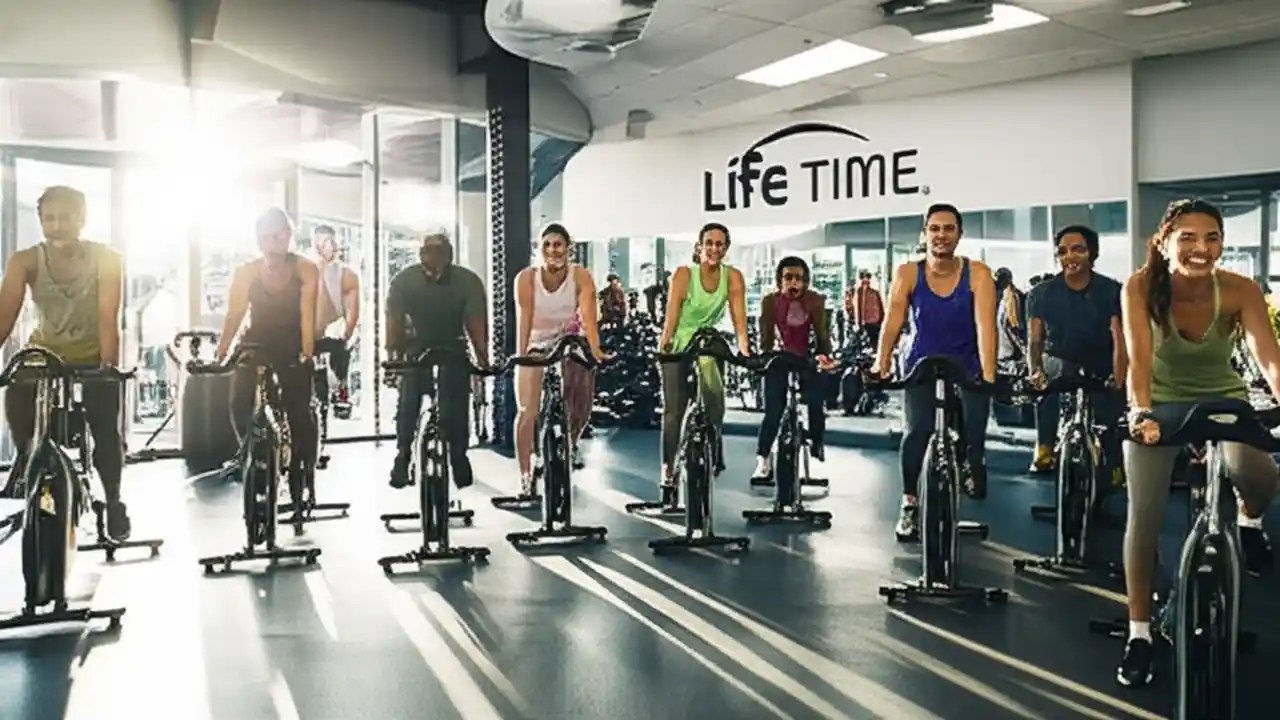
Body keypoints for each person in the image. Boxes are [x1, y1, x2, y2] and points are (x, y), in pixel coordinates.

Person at [1116, 198, 1278, 688]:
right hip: (1160, 403)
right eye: (1187, 237)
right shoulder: (1140, 287)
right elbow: (1139, 362)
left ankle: (1249, 522)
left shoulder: (1240, 290)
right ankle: (1139, 633)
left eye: (1212, 238)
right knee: (1144, 516)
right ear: (1164, 242)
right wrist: (1141, 413)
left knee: (1260, 476)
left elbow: (1269, 359)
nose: (1201, 248)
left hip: (1224, 397)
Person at [0, 186, 131, 538]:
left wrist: (108, 369)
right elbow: (4, 316)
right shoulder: (25, 261)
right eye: (50, 219)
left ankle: (114, 501)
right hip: (43, 354)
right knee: (17, 394)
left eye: (66, 218)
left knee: (105, 428)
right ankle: (28, 459)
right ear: (41, 221)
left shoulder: (107, 259)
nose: (57, 226)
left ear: (82, 219)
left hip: (91, 355)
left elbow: (108, 318)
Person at [871, 203, 998, 541]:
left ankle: (972, 460)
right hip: (920, 363)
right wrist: (881, 362)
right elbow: (893, 320)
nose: (941, 235)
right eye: (935, 229)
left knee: (974, 432)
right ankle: (910, 502)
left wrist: (988, 375)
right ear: (924, 234)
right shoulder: (908, 273)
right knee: (917, 430)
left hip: (966, 362)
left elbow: (986, 327)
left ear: (959, 234)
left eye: (949, 228)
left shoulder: (978, 274)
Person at [217, 208, 319, 515]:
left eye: (278, 236)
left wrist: (307, 354)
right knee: (238, 400)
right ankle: (249, 452)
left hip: (291, 342)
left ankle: (302, 474)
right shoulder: (246, 272)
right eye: (266, 237)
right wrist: (222, 353)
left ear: (289, 236)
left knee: (300, 414)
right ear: (258, 241)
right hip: (257, 341)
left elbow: (307, 315)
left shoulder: (305, 269)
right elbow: (235, 314)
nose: (273, 243)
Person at [386, 231, 489, 490]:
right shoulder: (404, 281)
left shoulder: (467, 282)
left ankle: (458, 455)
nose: (434, 258)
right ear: (421, 254)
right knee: (409, 398)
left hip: (452, 348)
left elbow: (476, 324)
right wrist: (392, 357)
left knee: (456, 402)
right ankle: (403, 454)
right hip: (415, 350)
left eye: (440, 252)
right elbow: (393, 321)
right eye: (429, 251)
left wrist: (483, 359)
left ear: (450, 255)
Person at [514, 223, 607, 495]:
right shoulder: (526, 278)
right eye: (547, 245)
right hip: (535, 341)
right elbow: (524, 319)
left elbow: (588, 316)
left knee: (582, 401)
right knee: (528, 410)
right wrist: (522, 356)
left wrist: (595, 350)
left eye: (558, 244)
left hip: (568, 339)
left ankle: (571, 441)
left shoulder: (581, 276)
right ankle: (526, 475)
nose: (552, 250)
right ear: (540, 249)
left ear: (568, 248)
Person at [658, 222, 750, 493]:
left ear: (726, 248)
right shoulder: (684, 274)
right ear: (699, 246)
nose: (713, 248)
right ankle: (668, 468)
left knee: (714, 398)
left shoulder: (733, 277)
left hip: (708, 340)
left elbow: (739, 320)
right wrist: (665, 344)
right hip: (680, 339)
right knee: (674, 409)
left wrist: (745, 350)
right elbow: (672, 316)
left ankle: (714, 442)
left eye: (719, 244)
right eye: (709, 243)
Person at [1026, 226, 1125, 477]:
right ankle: (1045, 446)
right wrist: (1035, 371)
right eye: (1062, 251)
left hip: (1100, 360)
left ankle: (1115, 462)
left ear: (1092, 253)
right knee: (1047, 379)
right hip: (1059, 359)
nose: (1069, 256)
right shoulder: (1042, 293)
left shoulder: (1112, 290)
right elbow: (1035, 341)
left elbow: (1119, 338)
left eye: (1078, 250)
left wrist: (1119, 376)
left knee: (1112, 407)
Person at [751, 257, 836, 481]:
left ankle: (817, 443)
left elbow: (822, 334)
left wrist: (824, 356)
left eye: (798, 278)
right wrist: (763, 359)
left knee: (816, 403)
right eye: (788, 277)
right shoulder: (770, 302)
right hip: (778, 359)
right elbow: (765, 336)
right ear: (779, 280)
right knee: (772, 411)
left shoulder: (815, 300)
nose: (793, 282)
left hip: (805, 359)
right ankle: (763, 459)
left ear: (805, 281)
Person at [310, 225, 360, 415]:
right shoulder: (304, 271)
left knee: (338, 350)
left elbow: (351, 314)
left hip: (333, 335)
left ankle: (340, 388)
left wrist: (346, 336)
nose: (323, 248)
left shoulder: (346, 275)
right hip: (305, 335)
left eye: (329, 242)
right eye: (319, 243)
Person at [845, 270, 884, 345]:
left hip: (873, 324)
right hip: (863, 325)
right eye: (862, 277)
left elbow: (880, 308)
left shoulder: (874, 293)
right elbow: (850, 308)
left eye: (868, 277)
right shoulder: (855, 292)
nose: (865, 279)